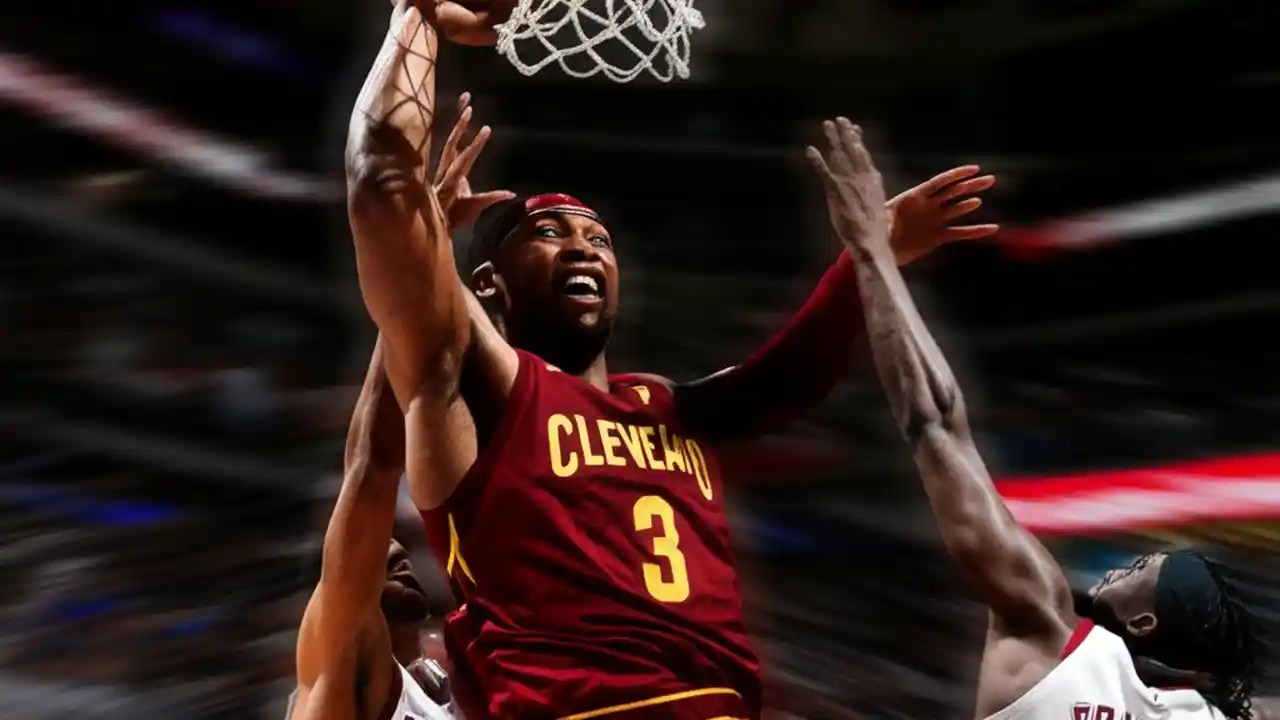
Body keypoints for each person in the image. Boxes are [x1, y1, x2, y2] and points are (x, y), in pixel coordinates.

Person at [345, 2, 996, 717]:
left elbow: (786, 379)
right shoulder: (479, 388)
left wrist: (869, 257)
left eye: (598, 237)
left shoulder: (665, 407)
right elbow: (382, 184)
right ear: (488, 283)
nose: (584, 247)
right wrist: (418, 19)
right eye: (549, 232)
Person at [806, 116, 1261, 720]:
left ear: (1146, 622)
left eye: (1145, 566)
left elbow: (936, 424)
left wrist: (870, 251)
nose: (1129, 559)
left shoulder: (1053, 637)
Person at [287, 338, 454, 720]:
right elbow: (371, 464)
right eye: (384, 562)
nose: (398, 556)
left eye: (403, 554)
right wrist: (402, 325)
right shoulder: (340, 680)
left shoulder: (458, 684)